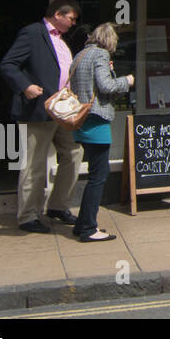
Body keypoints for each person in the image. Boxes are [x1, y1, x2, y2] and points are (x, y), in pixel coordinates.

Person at [0, 0, 84, 233]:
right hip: (37, 109)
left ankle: (58, 205)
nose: (73, 23)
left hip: (62, 110)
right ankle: (28, 216)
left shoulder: (62, 40)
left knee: (74, 153)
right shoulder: (32, 33)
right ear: (57, 14)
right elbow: (8, 64)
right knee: (35, 163)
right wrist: (25, 86)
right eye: (71, 18)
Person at [69, 24, 134, 243]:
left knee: (95, 174)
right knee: (99, 176)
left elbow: (90, 83)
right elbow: (105, 87)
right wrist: (127, 81)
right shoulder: (101, 54)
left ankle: (80, 225)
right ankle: (88, 228)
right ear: (110, 40)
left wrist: (109, 70)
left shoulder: (82, 54)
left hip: (82, 119)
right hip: (96, 120)